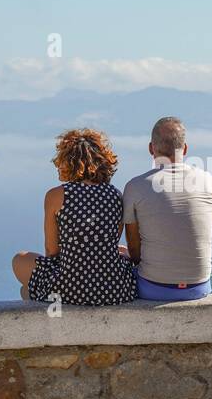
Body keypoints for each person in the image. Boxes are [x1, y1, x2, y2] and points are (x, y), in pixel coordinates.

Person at [11, 128, 138, 306]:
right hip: (117, 289)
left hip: (71, 290)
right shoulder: (116, 195)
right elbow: (108, 242)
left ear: (68, 162)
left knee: (19, 260)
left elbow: (52, 251)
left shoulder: (56, 196)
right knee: (122, 251)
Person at [123, 116, 212, 301]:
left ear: (151, 148)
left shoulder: (135, 186)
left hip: (153, 288)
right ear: (185, 148)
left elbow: (134, 252)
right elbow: (211, 216)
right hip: (198, 288)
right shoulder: (207, 180)